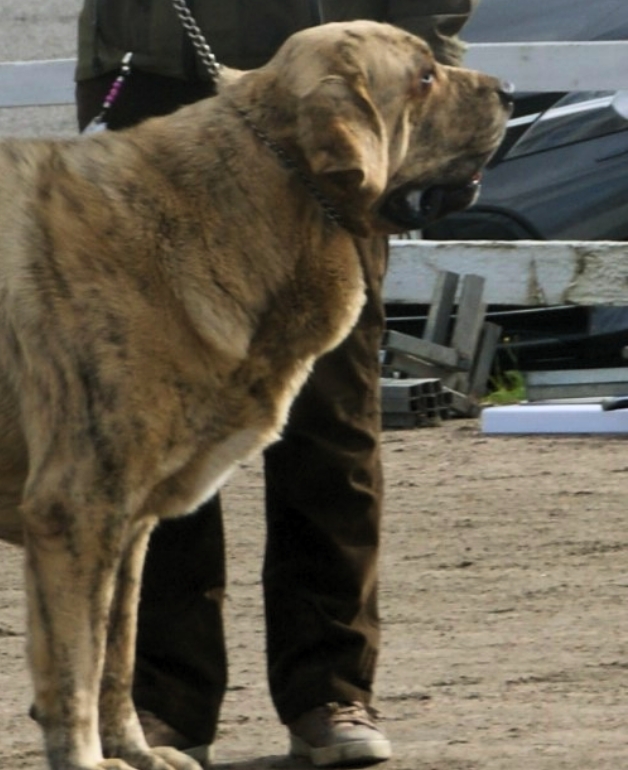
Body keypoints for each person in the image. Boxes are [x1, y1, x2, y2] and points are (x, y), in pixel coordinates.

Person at [74, 1, 477, 767]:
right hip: (158, 72)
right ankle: (158, 700)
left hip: (345, 84)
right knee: (151, 420)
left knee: (331, 411)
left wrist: (429, 80)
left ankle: (332, 692)